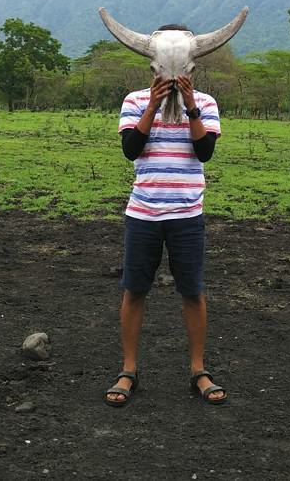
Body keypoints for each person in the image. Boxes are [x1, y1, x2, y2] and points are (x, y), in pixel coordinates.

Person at [104, 51, 228, 407]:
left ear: (192, 67)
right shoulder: (135, 100)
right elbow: (131, 149)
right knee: (134, 290)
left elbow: (204, 152)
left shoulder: (205, 102)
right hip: (143, 213)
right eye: (163, 67)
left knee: (193, 291)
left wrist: (190, 106)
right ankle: (128, 370)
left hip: (188, 213)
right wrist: (152, 108)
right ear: (154, 67)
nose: (172, 73)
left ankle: (198, 370)